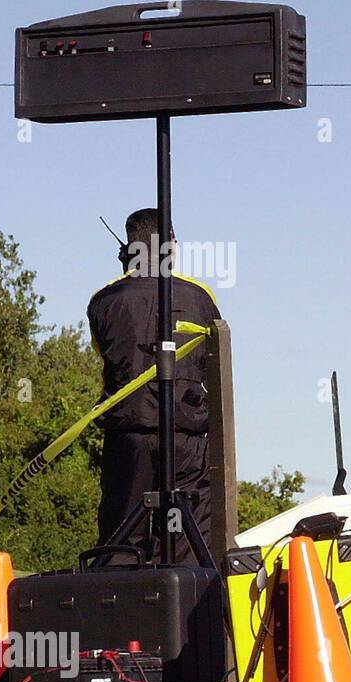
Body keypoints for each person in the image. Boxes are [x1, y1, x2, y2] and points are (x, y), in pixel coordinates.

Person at [88, 208, 222, 564]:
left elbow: (106, 354)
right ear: (172, 246)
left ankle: (116, 612)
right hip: (187, 437)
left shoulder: (103, 300)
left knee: (120, 537)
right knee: (187, 538)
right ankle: (191, 616)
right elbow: (215, 361)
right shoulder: (200, 296)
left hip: (128, 434)